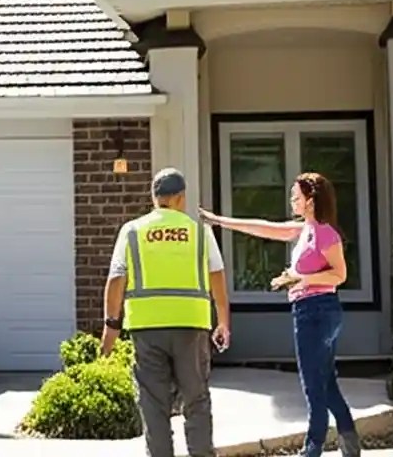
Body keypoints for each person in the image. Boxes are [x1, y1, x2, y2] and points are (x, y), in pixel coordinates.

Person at [199, 172, 361, 457]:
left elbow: (339, 275)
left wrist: (299, 277)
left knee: (312, 384)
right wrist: (220, 221)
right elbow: (265, 228)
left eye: (296, 196)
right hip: (312, 310)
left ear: (310, 200)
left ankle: (312, 449)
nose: (292, 200)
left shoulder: (324, 232)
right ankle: (350, 442)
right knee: (325, 381)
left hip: (317, 312)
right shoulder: (305, 230)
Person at [101, 167, 231, 457]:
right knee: (196, 401)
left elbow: (116, 280)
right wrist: (222, 322)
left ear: (154, 197)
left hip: (147, 329)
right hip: (192, 327)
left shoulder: (132, 231)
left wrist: (111, 326)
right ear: (181, 198)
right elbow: (217, 277)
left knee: (153, 404)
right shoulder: (199, 232)